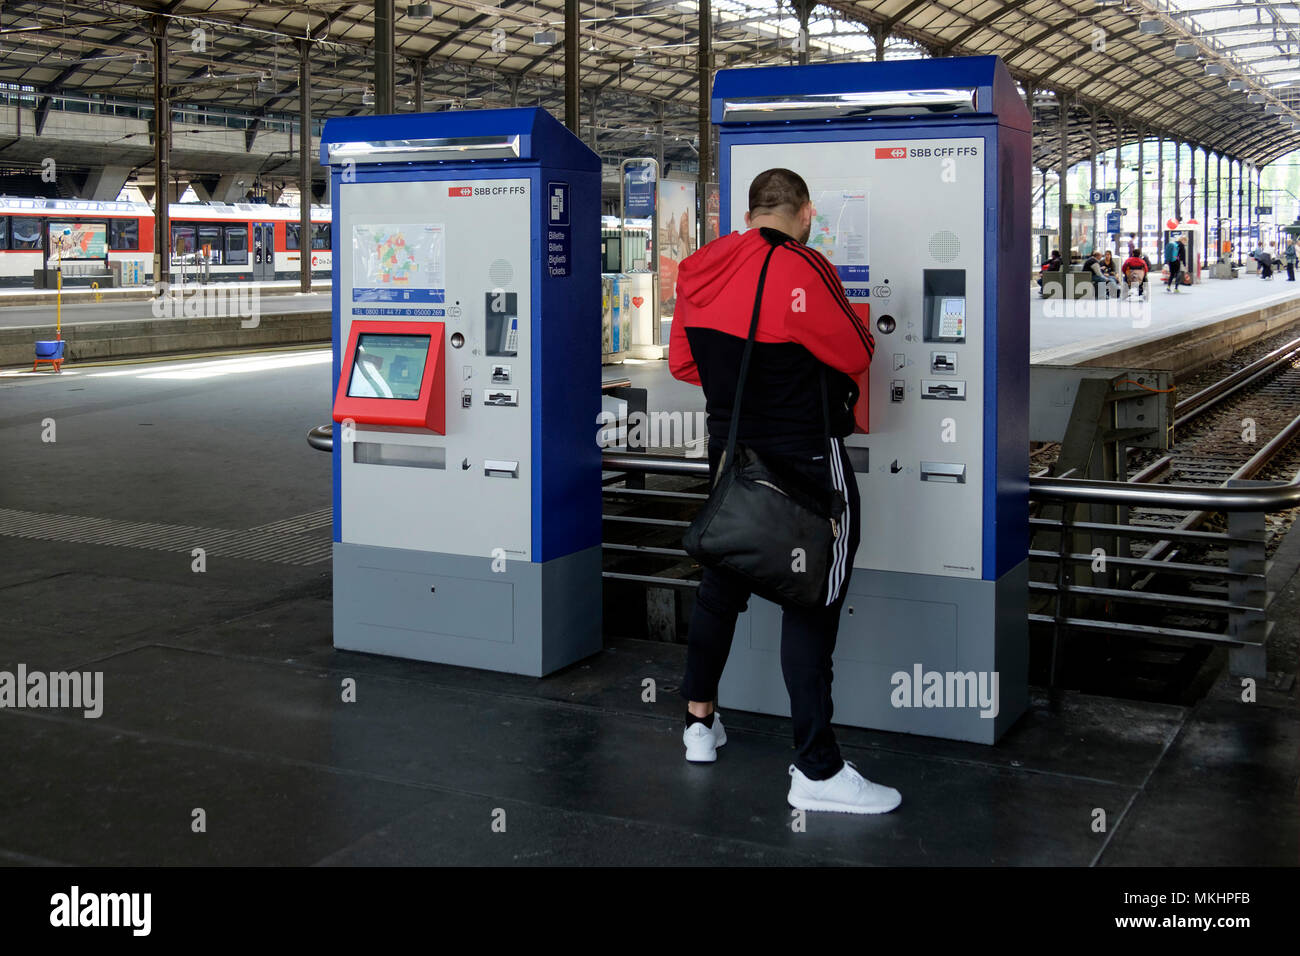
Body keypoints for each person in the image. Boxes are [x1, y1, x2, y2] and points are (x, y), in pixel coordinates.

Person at [668, 167, 901, 815]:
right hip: (801, 460)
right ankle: (816, 771)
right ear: (802, 211)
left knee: (723, 578)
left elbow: (683, 363)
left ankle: (698, 723)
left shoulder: (699, 267)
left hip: (728, 455)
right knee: (810, 597)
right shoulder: (803, 267)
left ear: (750, 211)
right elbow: (857, 352)